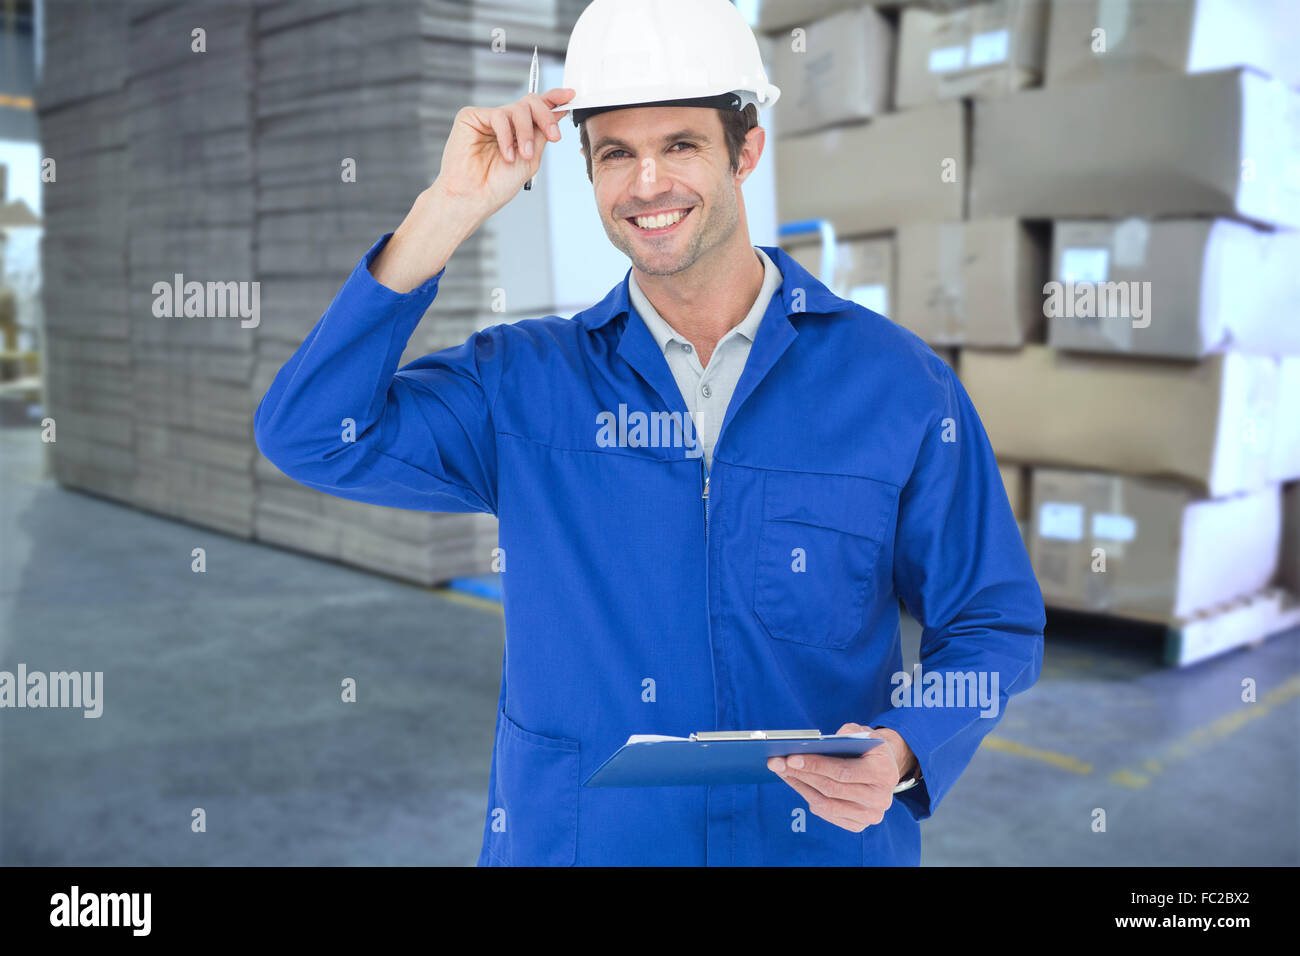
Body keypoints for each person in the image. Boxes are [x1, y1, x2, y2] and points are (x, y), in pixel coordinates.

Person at [254, 0, 1044, 866]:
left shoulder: (895, 385)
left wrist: (905, 749)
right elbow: (311, 434)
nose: (646, 184)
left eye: (681, 145)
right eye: (615, 153)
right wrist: (447, 208)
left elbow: (991, 620)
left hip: (812, 846)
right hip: (584, 846)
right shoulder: (523, 384)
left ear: (746, 151)